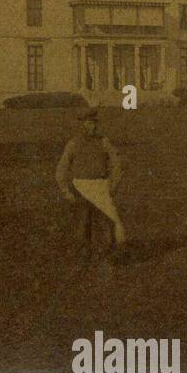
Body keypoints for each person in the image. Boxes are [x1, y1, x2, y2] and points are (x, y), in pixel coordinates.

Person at [55, 107, 126, 261]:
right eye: (87, 123)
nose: (90, 127)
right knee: (83, 225)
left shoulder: (104, 142)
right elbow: (61, 169)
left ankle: (109, 256)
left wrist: (113, 185)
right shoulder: (73, 144)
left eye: (93, 123)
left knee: (108, 222)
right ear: (81, 125)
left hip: (100, 187)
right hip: (80, 188)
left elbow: (117, 164)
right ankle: (84, 256)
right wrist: (66, 191)